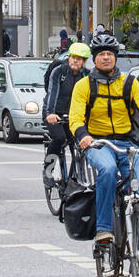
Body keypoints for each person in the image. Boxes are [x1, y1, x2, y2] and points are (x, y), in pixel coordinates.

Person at [69, 34, 139, 244]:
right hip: (98, 143)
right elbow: (75, 118)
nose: (106, 58)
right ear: (94, 59)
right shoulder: (83, 86)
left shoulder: (129, 83)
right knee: (107, 171)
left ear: (115, 57)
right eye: (101, 55)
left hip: (127, 144)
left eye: (110, 54)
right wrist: (83, 136)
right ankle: (104, 230)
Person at [41, 41, 91, 187]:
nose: (75, 60)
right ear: (69, 57)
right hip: (54, 113)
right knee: (59, 138)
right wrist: (50, 113)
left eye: (79, 58)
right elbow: (52, 92)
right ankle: (48, 171)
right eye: (73, 57)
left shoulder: (86, 76)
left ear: (84, 62)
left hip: (73, 116)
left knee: (79, 145)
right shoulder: (59, 71)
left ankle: (73, 179)